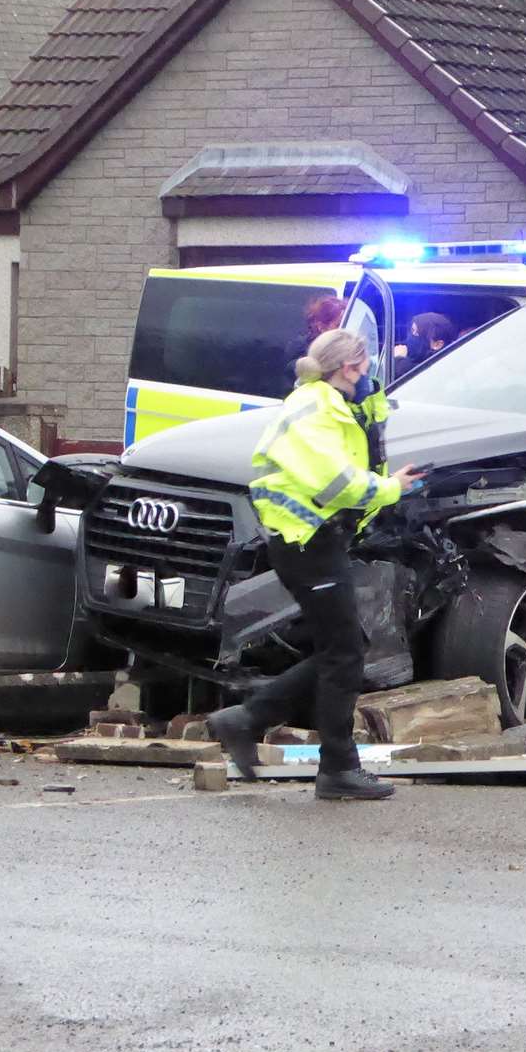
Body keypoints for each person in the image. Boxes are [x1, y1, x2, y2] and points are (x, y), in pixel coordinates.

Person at [208, 328, 420, 801]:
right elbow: (336, 481)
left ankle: (246, 720)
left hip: (310, 541)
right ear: (348, 368)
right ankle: (337, 767)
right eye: (366, 369)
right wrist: (391, 490)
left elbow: (362, 436)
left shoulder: (324, 402)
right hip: (307, 542)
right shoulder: (318, 410)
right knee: (345, 652)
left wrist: (375, 405)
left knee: (343, 648)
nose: (370, 377)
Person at [391, 311, 455, 380]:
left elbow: (424, 377)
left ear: (437, 344)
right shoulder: (413, 358)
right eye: (412, 331)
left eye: (418, 334)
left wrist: (398, 360)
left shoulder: (443, 368)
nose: (412, 336)